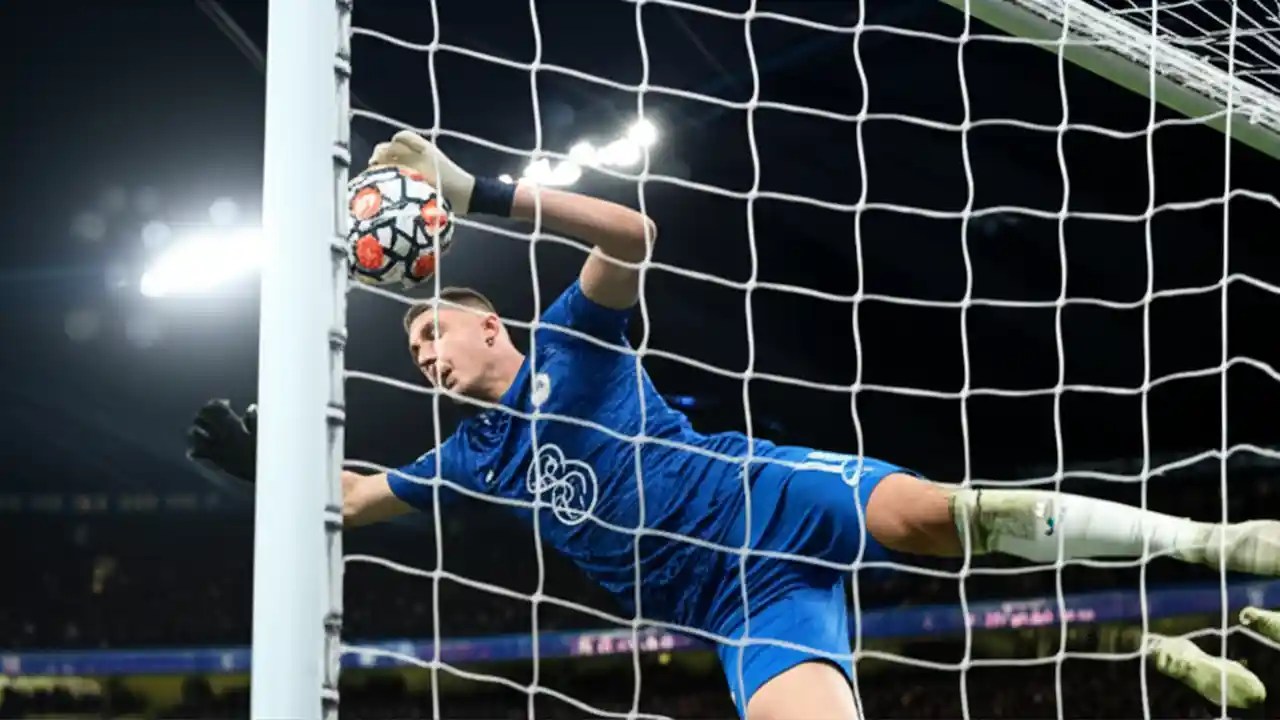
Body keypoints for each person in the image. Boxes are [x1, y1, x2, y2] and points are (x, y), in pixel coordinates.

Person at [188, 130, 1280, 719]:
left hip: (767, 493)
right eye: (413, 352)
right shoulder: (466, 455)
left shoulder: (573, 343)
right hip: (737, 601)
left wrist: (478, 194)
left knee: (930, 520)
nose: (423, 355)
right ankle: (1157, 660)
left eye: (432, 332)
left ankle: (1209, 547)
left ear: (487, 324)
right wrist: (268, 462)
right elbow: (355, 499)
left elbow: (630, 230)